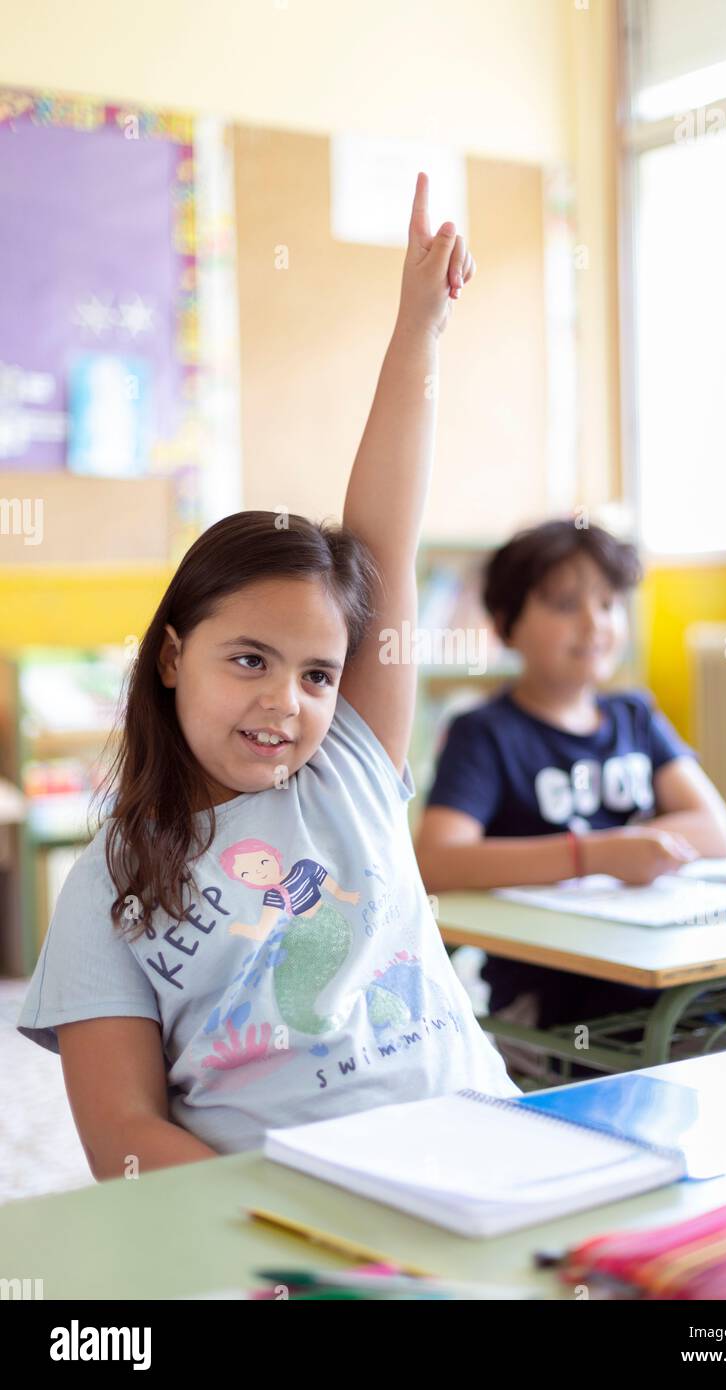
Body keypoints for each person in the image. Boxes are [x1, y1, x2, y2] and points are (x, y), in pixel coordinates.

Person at [17, 173, 520, 1178]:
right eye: (248, 658)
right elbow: (123, 1140)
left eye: (318, 674)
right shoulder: (105, 887)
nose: (285, 701)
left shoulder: (353, 768)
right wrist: (293, 1215)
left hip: (481, 1149)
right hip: (288, 1210)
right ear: (171, 656)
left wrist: (418, 329)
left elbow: (384, 529)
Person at [414, 518, 726, 1078]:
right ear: (505, 625)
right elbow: (437, 860)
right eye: (565, 604)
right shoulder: (485, 733)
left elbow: (716, 829)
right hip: (550, 999)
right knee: (695, 1053)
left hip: (651, 965)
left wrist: (632, 848)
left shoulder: (634, 715)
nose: (594, 623)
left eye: (609, 603)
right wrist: (593, 854)